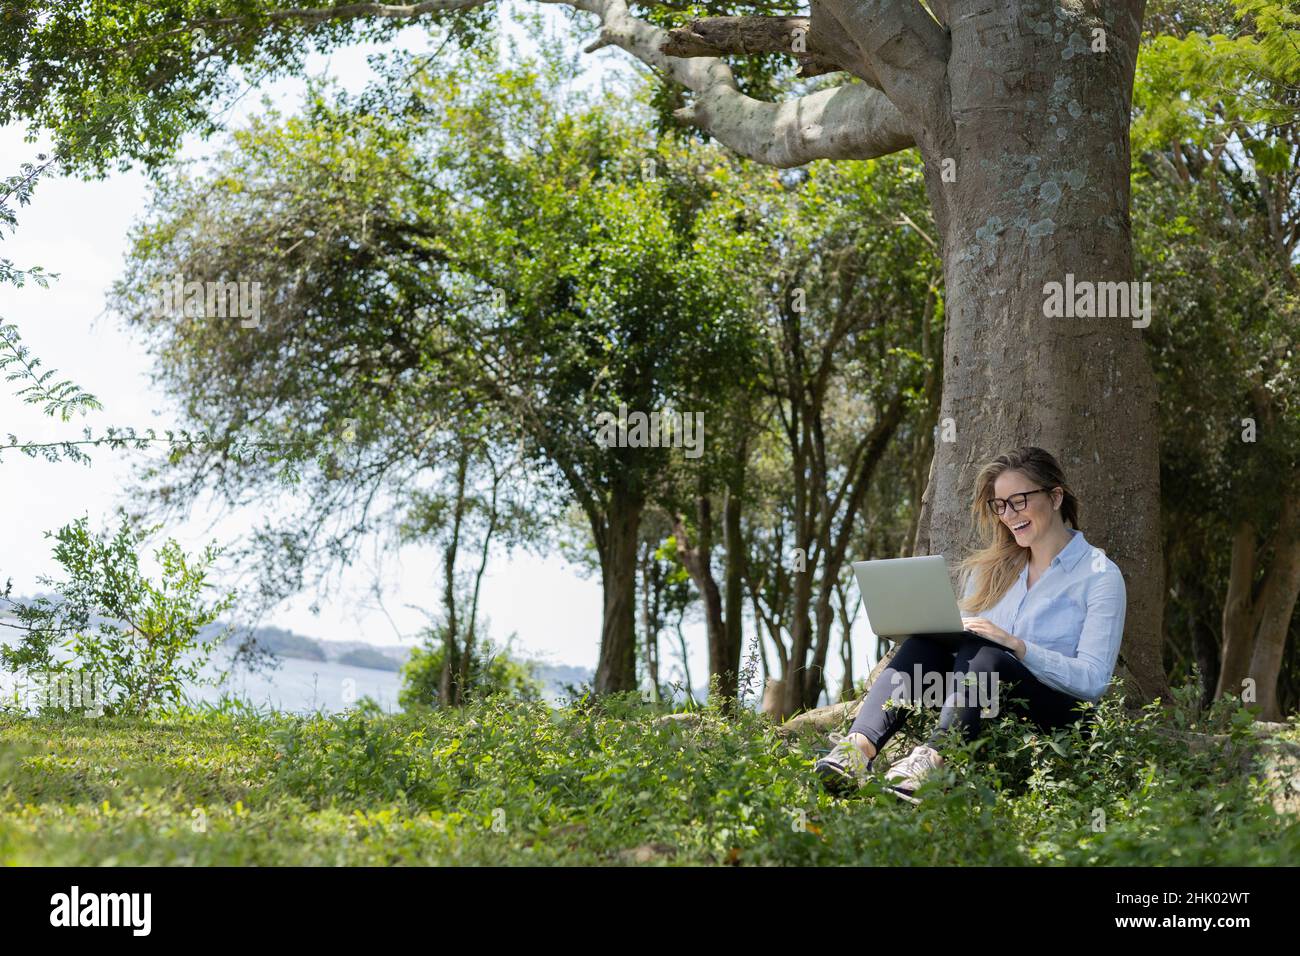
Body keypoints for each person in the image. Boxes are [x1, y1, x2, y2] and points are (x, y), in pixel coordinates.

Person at [813, 445, 1126, 801]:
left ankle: (932, 761)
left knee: (988, 653)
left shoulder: (1099, 575)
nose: (1009, 514)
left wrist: (1018, 647)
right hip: (989, 696)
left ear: (1055, 497)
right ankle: (856, 750)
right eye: (1000, 504)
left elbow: (1093, 681)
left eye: (1020, 500)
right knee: (924, 645)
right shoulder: (988, 571)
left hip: (1060, 711)